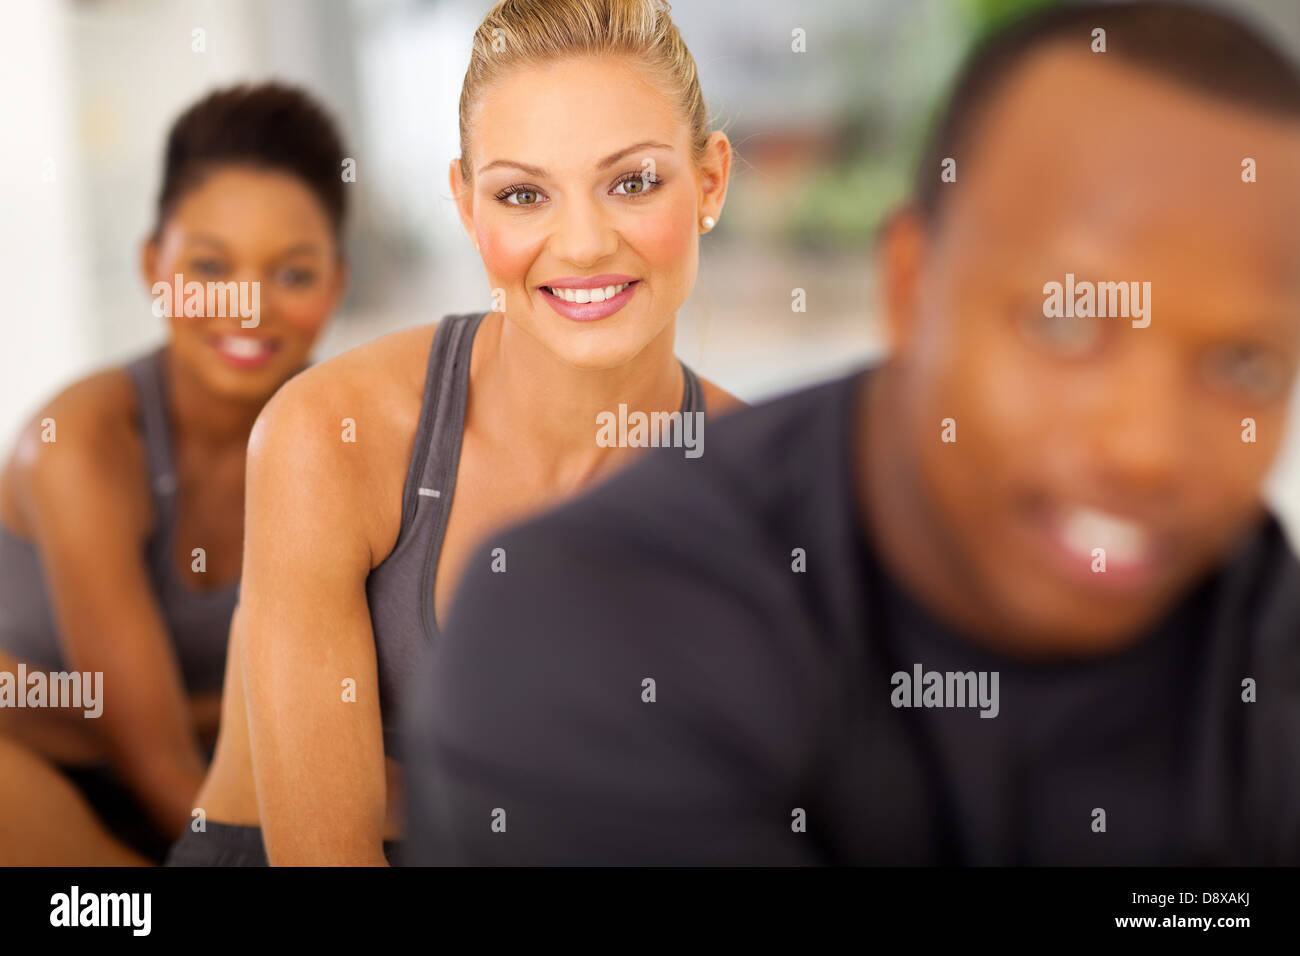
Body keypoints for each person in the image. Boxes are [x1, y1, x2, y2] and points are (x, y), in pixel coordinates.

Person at [403, 0, 1300, 865]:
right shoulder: (582, 629)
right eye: (1065, 325)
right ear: (912, 287)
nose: (1146, 450)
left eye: (1244, 368)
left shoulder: (1263, 648)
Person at [168, 0, 738, 866]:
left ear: (709, 182)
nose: (583, 244)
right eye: (523, 194)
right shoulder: (332, 438)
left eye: (632, 181)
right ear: (469, 209)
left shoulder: (761, 486)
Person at [0, 83, 349, 864]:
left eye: (292, 274)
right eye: (209, 265)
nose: (247, 307)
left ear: (336, 284)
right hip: (47, 789)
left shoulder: (349, 438)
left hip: (218, 788)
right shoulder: (81, 445)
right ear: (153, 265)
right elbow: (159, 768)